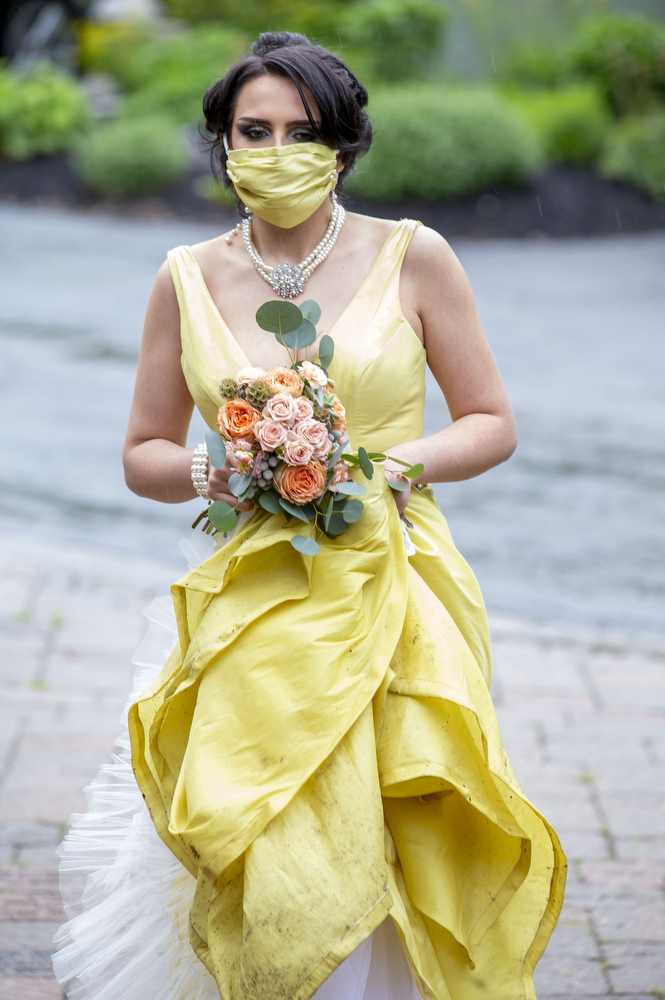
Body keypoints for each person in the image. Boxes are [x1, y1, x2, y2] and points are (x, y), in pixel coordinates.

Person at [53, 30, 565, 1000]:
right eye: (256, 129)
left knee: (399, 814)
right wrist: (222, 469)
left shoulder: (415, 257)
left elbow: (492, 422)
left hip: (397, 583)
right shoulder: (186, 277)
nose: (278, 149)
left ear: (342, 143)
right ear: (224, 141)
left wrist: (379, 463)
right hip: (258, 591)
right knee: (272, 814)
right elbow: (142, 453)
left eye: (303, 130)